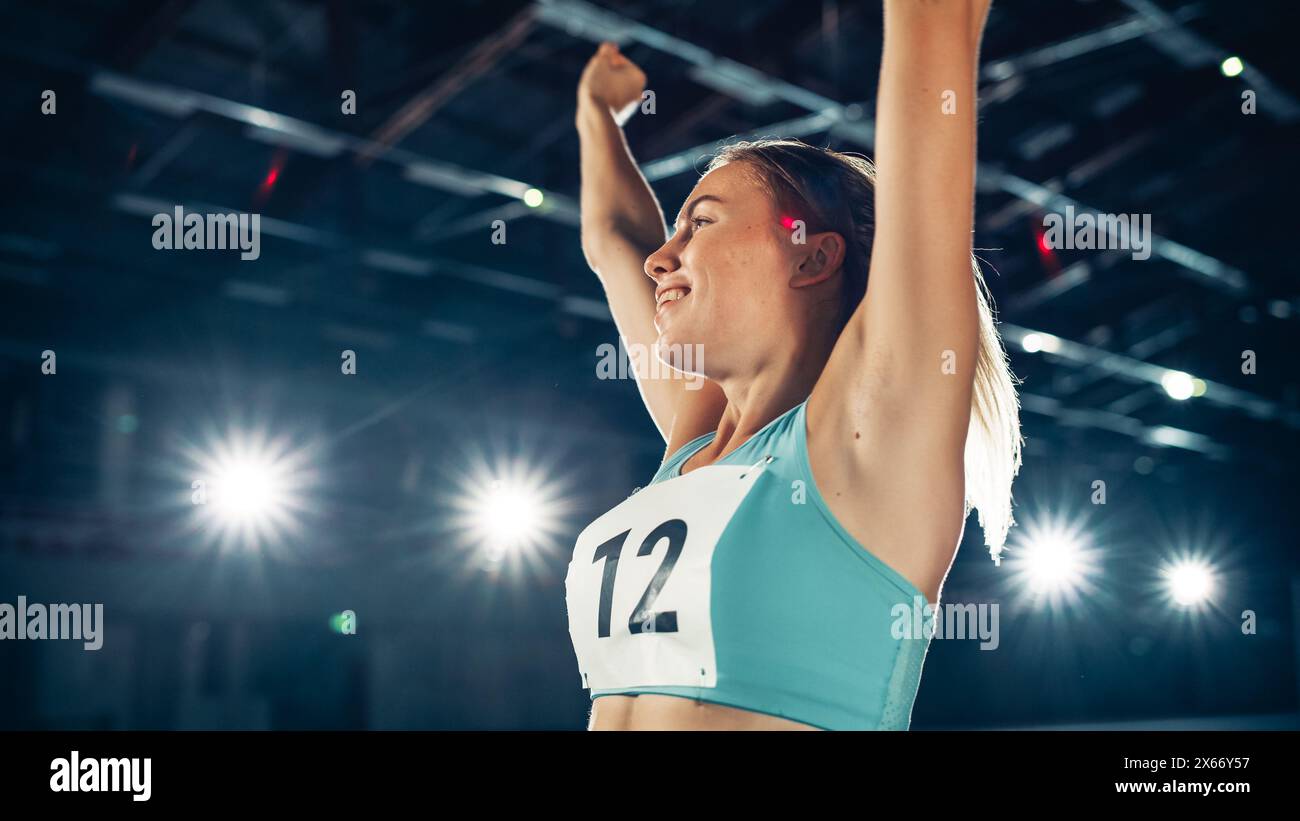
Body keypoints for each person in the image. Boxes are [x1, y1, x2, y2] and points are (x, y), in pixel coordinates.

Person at [565, 0, 1020, 731]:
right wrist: (595, 114)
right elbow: (613, 241)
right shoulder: (696, 440)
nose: (662, 258)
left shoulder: (871, 434)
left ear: (812, 252)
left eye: (702, 220)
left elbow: (935, 21)